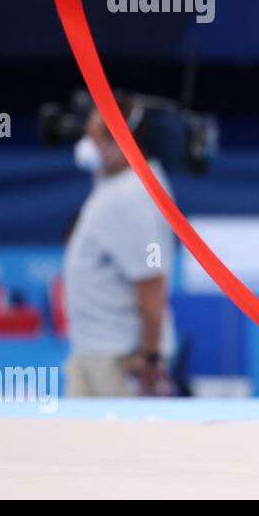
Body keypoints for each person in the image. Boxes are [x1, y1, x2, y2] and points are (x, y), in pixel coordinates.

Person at [62, 96, 177, 397]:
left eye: (93, 137)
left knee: (121, 445)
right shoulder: (118, 185)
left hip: (121, 357)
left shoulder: (131, 195)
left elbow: (151, 280)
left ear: (120, 142)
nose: (86, 145)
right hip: (96, 348)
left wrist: (150, 356)